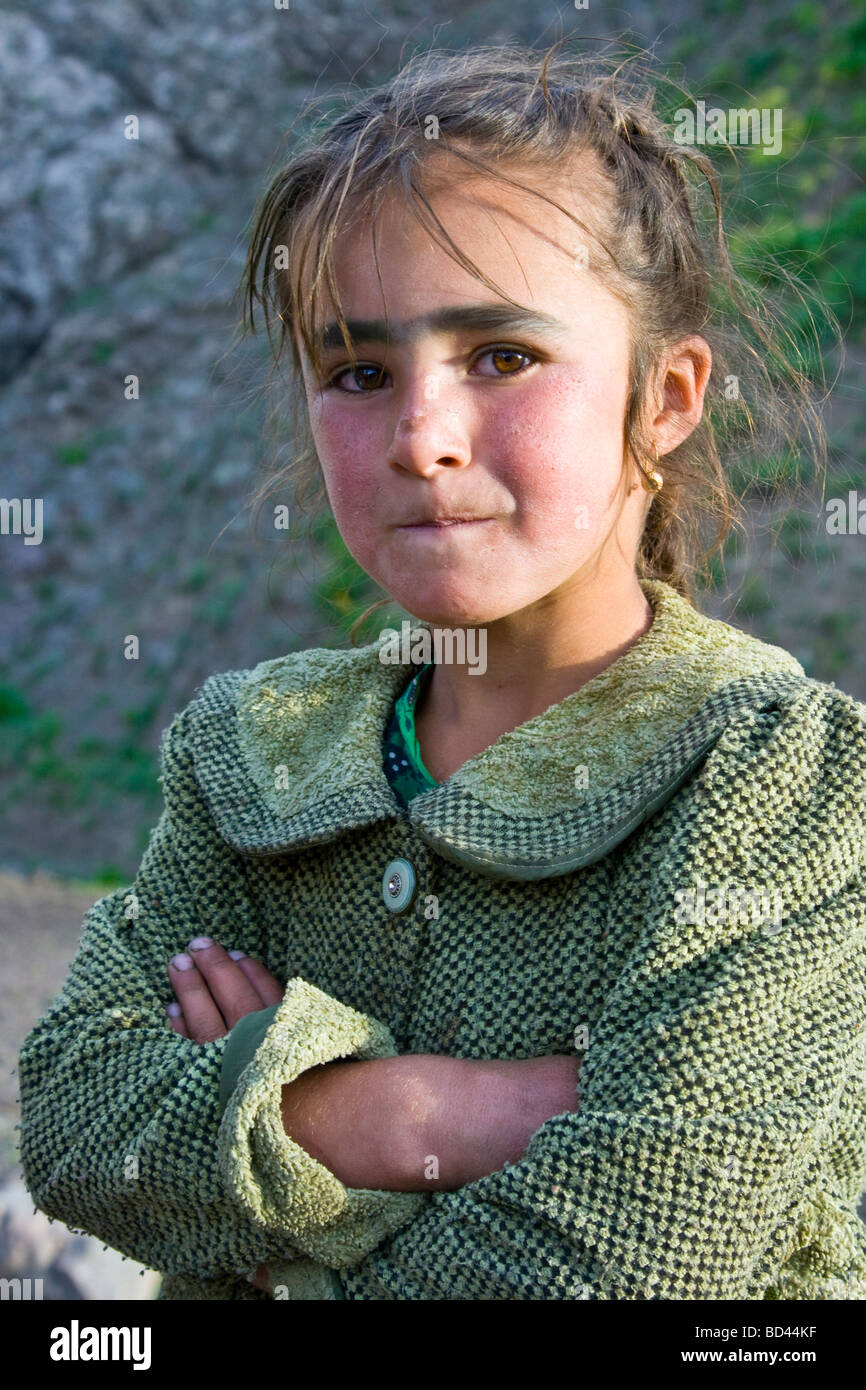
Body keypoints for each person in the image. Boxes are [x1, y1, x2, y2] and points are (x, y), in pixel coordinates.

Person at [17, 41, 866, 1300]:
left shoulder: (774, 779)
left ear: (666, 395)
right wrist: (434, 1110)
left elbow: (618, 1263)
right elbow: (81, 1130)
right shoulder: (252, 748)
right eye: (357, 372)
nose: (420, 437)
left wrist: (254, 1117)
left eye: (501, 357)